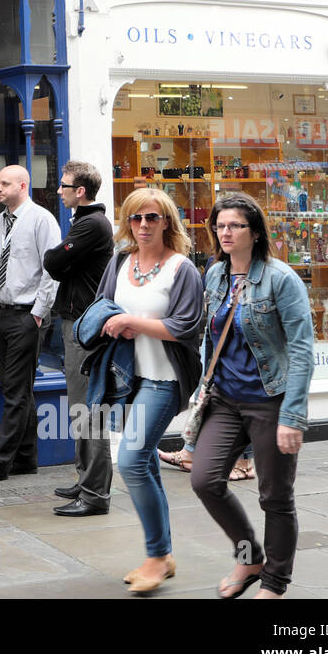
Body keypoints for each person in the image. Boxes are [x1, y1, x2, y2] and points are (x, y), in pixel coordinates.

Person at [190, 192, 314, 599]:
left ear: (255, 232)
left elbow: (301, 349)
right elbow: (212, 337)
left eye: (234, 226)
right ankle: (249, 556)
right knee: (205, 480)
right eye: (220, 226)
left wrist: (292, 416)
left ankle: (275, 585)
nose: (225, 232)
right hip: (225, 397)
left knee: (274, 497)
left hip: (269, 399)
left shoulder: (281, 279)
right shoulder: (215, 274)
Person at [95, 187, 204, 595]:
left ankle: (157, 556)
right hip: (128, 378)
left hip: (164, 379)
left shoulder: (182, 269)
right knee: (146, 461)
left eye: (152, 218)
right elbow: (103, 306)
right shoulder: (120, 263)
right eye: (136, 218)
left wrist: (132, 322)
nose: (143, 225)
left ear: (167, 222)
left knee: (132, 459)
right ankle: (164, 555)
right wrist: (114, 321)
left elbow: (185, 326)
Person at [0, 165, 59, 483]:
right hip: (0, 313)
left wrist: (38, 312)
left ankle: (0, 461)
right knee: (16, 390)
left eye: (5, 183)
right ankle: (26, 458)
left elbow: (52, 270)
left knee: (15, 394)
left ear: (23, 185)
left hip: (25, 315)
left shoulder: (41, 219)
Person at [42, 160, 115, 516]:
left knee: (88, 408)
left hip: (83, 327)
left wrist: (59, 259)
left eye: (64, 186)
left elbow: (53, 261)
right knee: (80, 406)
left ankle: (95, 493)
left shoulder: (91, 225)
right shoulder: (83, 223)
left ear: (80, 191)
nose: (60, 191)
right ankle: (86, 478)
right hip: (75, 322)